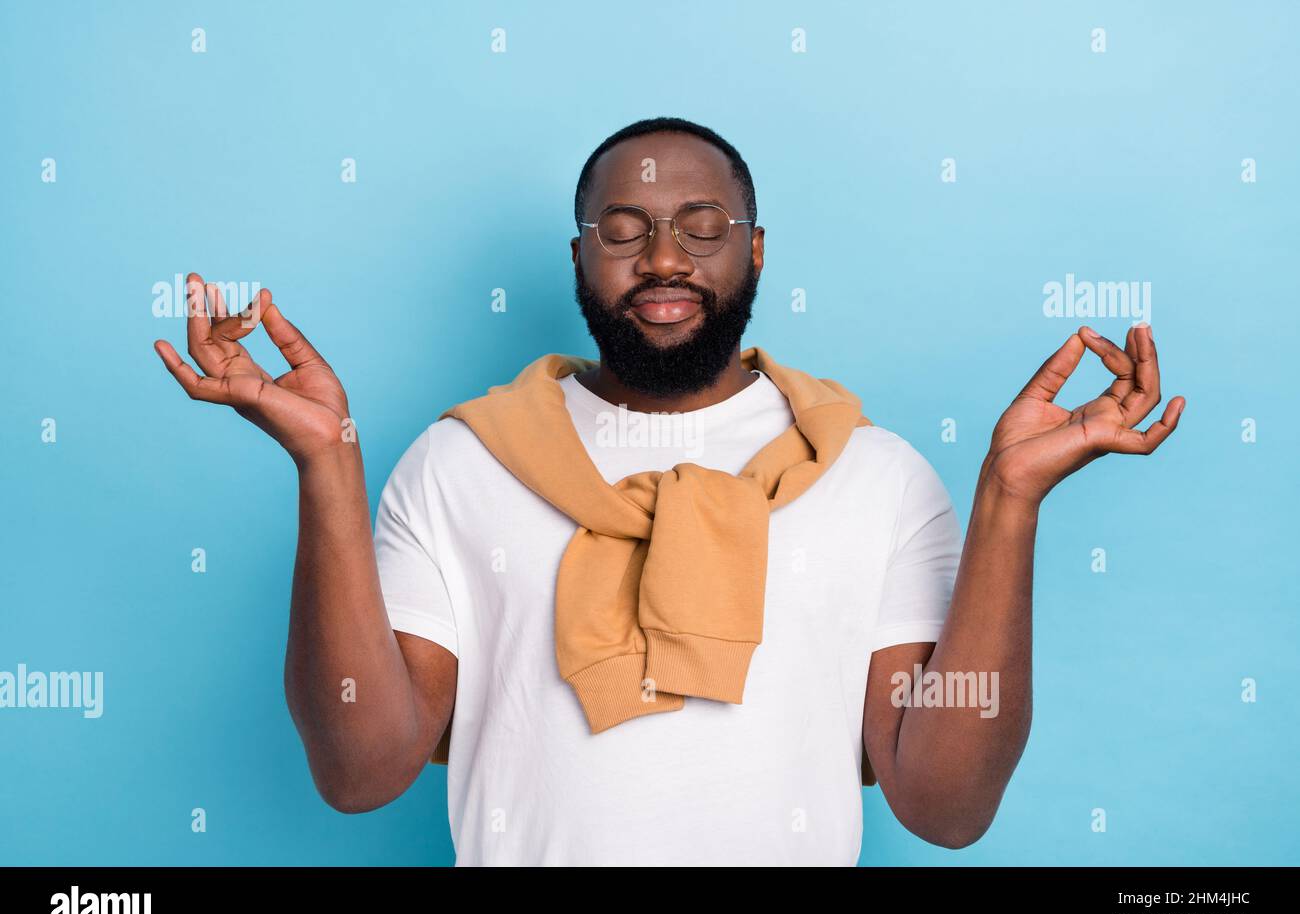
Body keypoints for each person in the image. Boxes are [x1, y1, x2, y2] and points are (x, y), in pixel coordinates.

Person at [152, 116, 1185, 865]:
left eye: (702, 226)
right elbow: (359, 770)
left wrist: (1009, 500)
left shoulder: (875, 478)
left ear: (755, 249)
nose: (661, 258)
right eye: (622, 228)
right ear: (577, 257)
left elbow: (944, 804)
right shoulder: (463, 463)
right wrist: (326, 461)